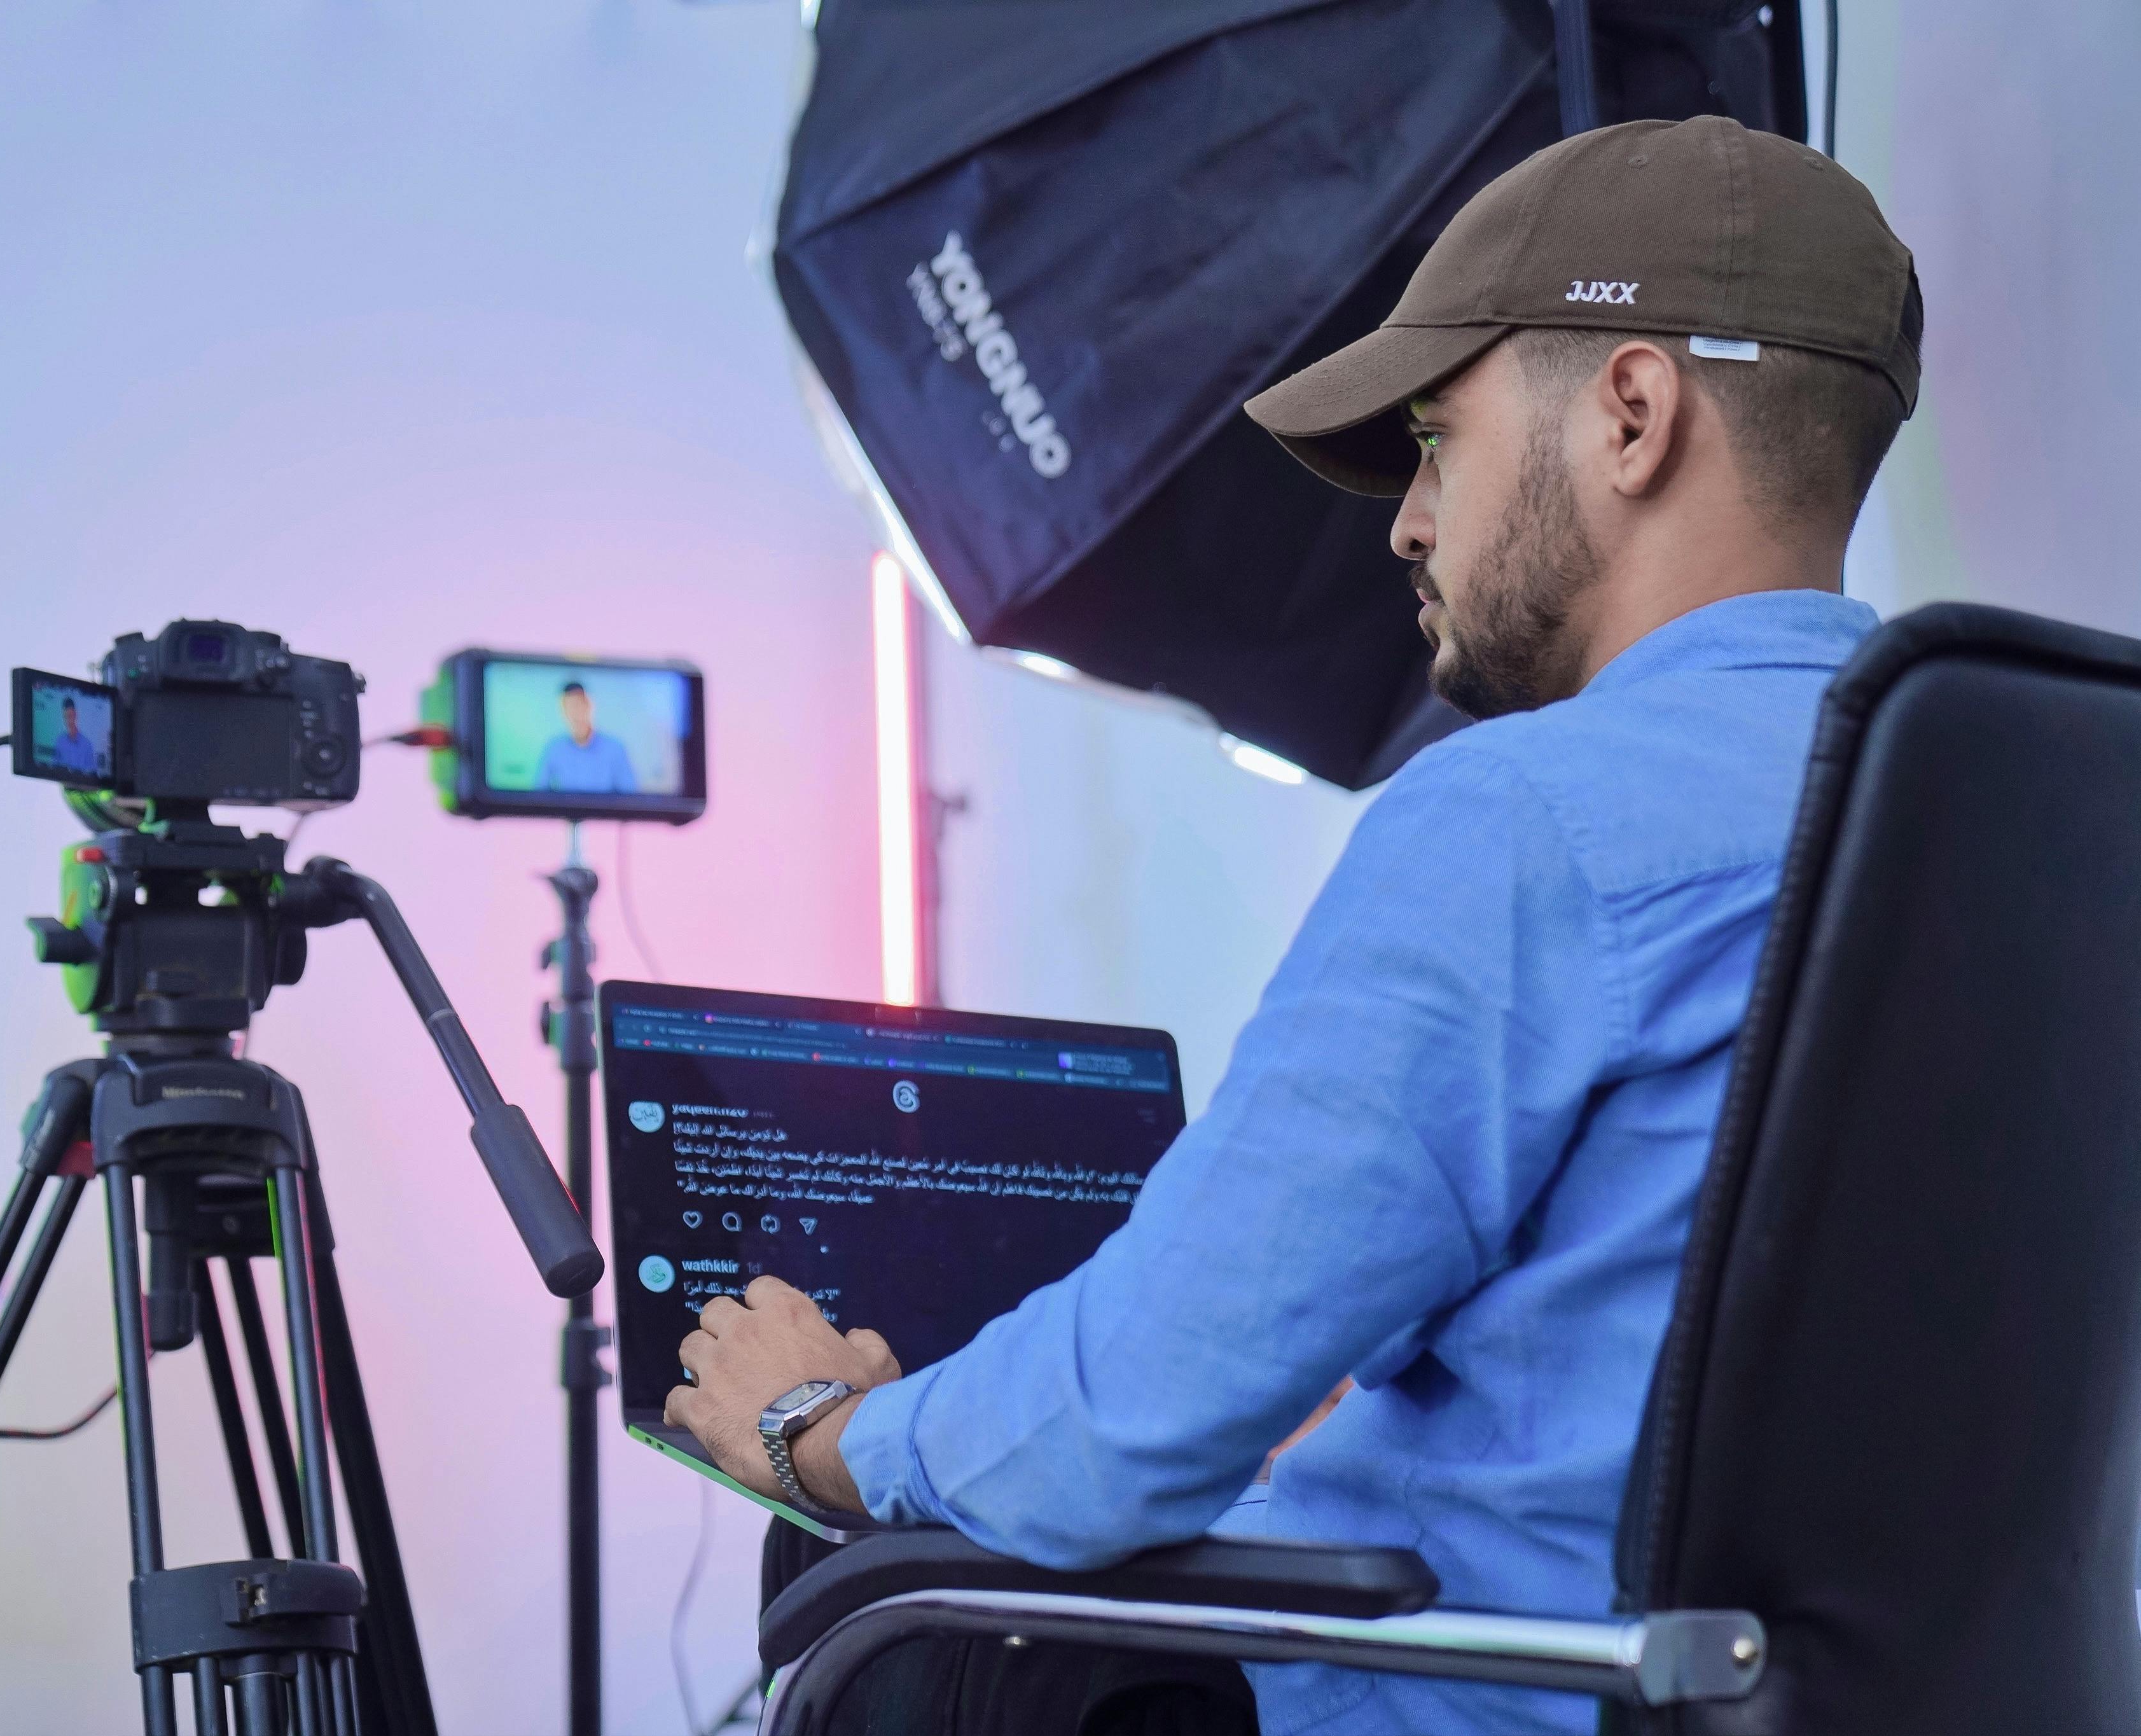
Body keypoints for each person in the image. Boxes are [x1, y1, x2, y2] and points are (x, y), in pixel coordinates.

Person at [665, 116, 1923, 1735]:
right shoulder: (2010, 809)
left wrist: (818, 1425)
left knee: (887, 1630)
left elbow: (1114, 1430)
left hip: (1503, 1694)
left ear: (1629, 412)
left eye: (1435, 441)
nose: (1403, 521)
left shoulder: (1528, 819)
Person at [536, 681, 639, 793]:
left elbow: (630, 796)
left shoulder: (615, 748)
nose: (575, 714)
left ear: (589, 706)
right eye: (570, 708)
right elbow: (538, 795)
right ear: (564, 712)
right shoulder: (554, 748)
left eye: (579, 706)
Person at [52, 695, 99, 774]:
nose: (69, 721)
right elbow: (53, 769)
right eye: (66, 717)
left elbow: (92, 774)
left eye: (71, 716)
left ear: (76, 715)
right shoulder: (60, 742)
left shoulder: (87, 745)